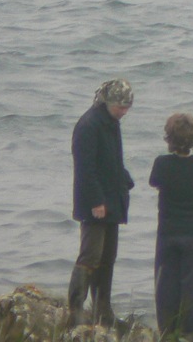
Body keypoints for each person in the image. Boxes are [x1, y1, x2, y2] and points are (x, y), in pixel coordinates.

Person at [69, 78, 135, 327]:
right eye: (121, 106)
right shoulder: (89, 125)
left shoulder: (111, 122)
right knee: (90, 256)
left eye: (127, 107)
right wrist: (96, 201)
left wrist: (126, 180)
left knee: (108, 258)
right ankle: (75, 311)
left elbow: (112, 161)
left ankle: (102, 312)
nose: (124, 111)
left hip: (113, 200)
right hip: (95, 205)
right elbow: (85, 169)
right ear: (108, 102)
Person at [150, 112, 193, 341]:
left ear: (169, 138)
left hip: (168, 230)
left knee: (166, 285)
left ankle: (168, 332)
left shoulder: (161, 164)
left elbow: (154, 182)